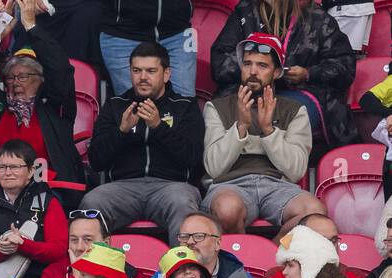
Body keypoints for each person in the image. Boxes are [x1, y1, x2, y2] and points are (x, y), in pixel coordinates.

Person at [201, 33, 326, 235]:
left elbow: (295, 170)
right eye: (247, 63)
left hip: (277, 183)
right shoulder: (216, 107)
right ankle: (242, 262)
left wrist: (268, 130)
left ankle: (270, 257)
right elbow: (214, 169)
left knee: (315, 212)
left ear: (276, 72)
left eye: (262, 66)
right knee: (227, 210)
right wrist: (240, 127)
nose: (252, 71)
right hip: (229, 184)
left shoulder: (294, 110)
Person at [82, 43, 202, 245]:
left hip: (171, 187)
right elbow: (96, 161)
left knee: (183, 203)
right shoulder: (115, 105)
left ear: (166, 74)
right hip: (122, 188)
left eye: (151, 71)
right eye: (136, 71)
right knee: (91, 203)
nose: (143, 77)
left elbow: (194, 159)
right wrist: (122, 132)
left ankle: (183, 272)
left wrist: (158, 127)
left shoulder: (185, 106)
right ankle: (93, 273)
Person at [0, 6, 87, 198]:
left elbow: (60, 69)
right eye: (11, 77)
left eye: (23, 76)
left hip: (47, 193)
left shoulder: (55, 109)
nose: (15, 82)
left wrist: (31, 25)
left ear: (41, 79)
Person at [211, 1, 356, 148]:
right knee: (219, 113)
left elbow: (344, 67)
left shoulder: (318, 19)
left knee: (287, 118)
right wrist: (252, 67)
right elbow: (219, 62)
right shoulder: (245, 11)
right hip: (249, 90)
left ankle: (279, 165)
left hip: (301, 92)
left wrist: (309, 73)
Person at [0, 139, 68, 278]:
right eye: (2, 167)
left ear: (31, 171)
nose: (8, 173)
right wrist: (0, 251)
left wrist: (23, 245)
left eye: (15, 167)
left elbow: (59, 250)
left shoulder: (48, 202)